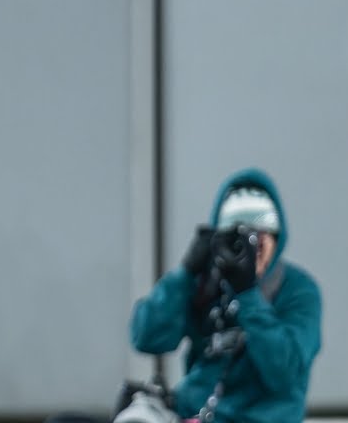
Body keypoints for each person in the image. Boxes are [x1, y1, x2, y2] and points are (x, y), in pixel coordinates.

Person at [119, 169, 322, 423]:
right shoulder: (207, 283)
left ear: (276, 240)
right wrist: (185, 273)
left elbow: (284, 374)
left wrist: (248, 296)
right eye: (236, 239)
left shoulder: (297, 289)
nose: (247, 251)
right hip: (196, 413)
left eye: (258, 241)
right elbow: (145, 337)